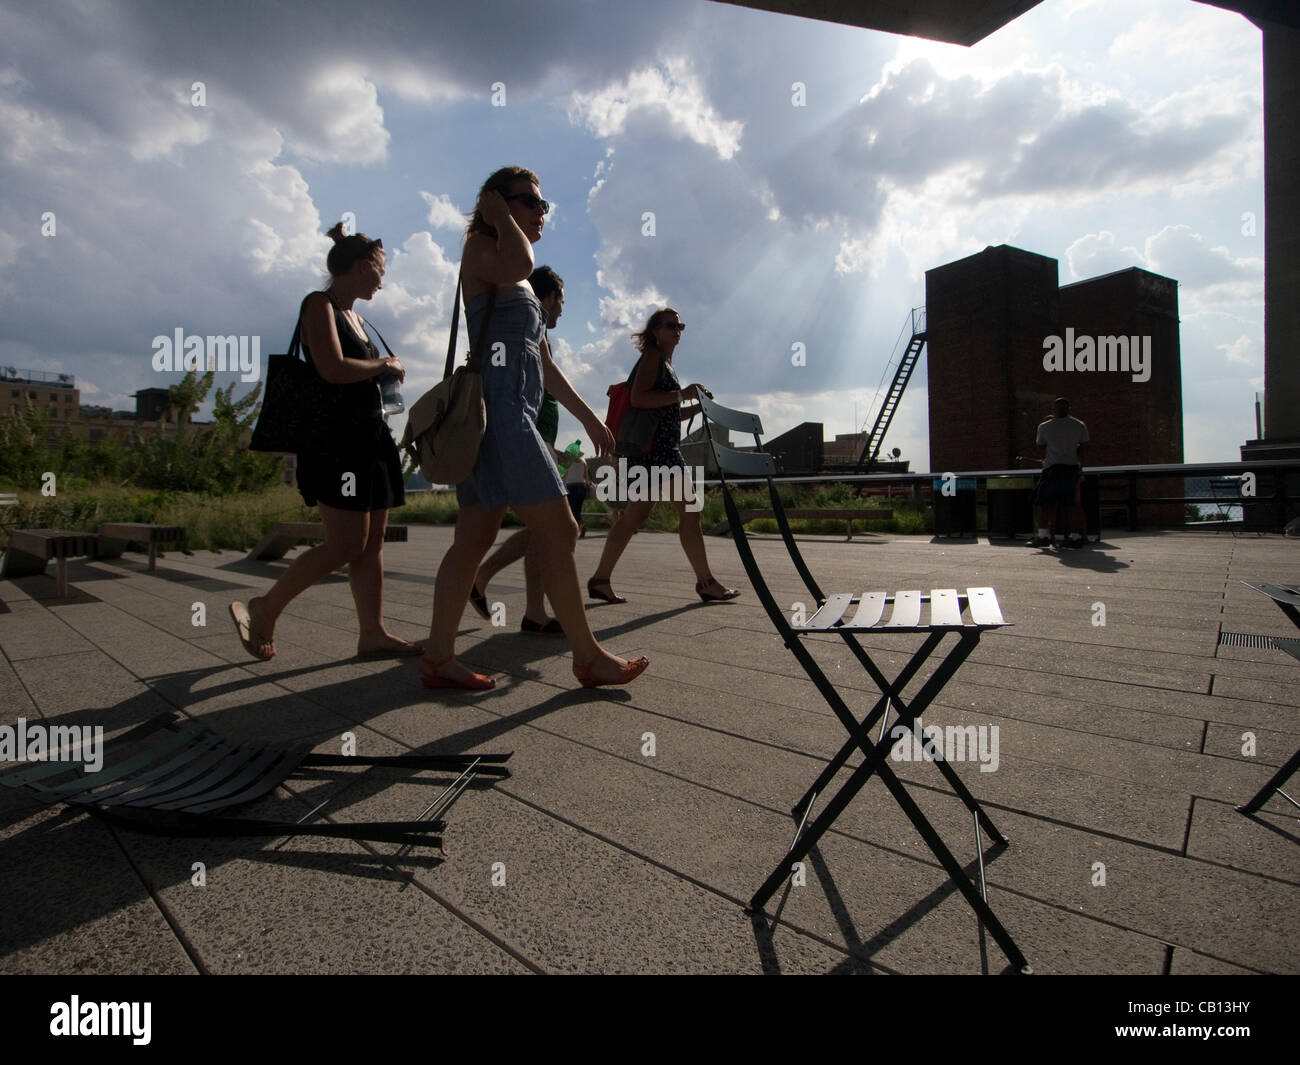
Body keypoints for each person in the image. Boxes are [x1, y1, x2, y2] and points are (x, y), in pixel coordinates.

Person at [420, 166, 648, 690]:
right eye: (531, 203)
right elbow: (523, 259)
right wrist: (497, 213)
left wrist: (589, 415)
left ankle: (437, 655)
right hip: (499, 412)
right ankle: (587, 656)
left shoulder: (514, 272)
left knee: (474, 537)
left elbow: (541, 359)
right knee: (561, 528)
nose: (541, 213)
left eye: (544, 206)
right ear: (498, 203)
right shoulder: (485, 248)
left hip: (512, 409)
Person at [230, 223, 421, 660]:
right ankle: (265, 607)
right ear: (360, 266)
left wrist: (383, 370)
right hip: (337, 443)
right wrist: (381, 365)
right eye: (380, 269)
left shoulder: (357, 316)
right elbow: (331, 368)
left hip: (370, 437)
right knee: (346, 544)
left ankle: (372, 633)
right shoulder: (319, 304)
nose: (382, 278)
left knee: (371, 546)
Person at [587, 308, 740, 604]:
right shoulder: (653, 357)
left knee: (635, 516)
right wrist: (684, 393)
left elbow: (665, 412)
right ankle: (706, 582)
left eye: (680, 326)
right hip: (657, 453)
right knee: (688, 509)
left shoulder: (666, 364)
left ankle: (600, 579)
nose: (677, 330)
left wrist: (697, 406)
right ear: (655, 331)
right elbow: (638, 398)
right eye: (671, 325)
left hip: (658, 452)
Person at [470, 265, 570, 636]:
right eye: (561, 301)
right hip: (521, 434)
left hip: (535, 436)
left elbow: (549, 376)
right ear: (548, 297)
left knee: (541, 529)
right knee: (554, 528)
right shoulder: (528, 321)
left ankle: (528, 607)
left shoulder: (537, 330)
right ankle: (533, 608)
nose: (562, 310)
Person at [1032, 396, 1089, 549]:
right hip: (1070, 468)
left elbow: (1040, 446)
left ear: (1054, 408)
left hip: (1052, 468)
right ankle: (1075, 537)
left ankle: (1043, 535)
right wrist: (1081, 468)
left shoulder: (1044, 426)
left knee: (1045, 504)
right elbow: (1083, 448)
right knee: (1071, 505)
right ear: (1068, 408)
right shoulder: (1079, 425)